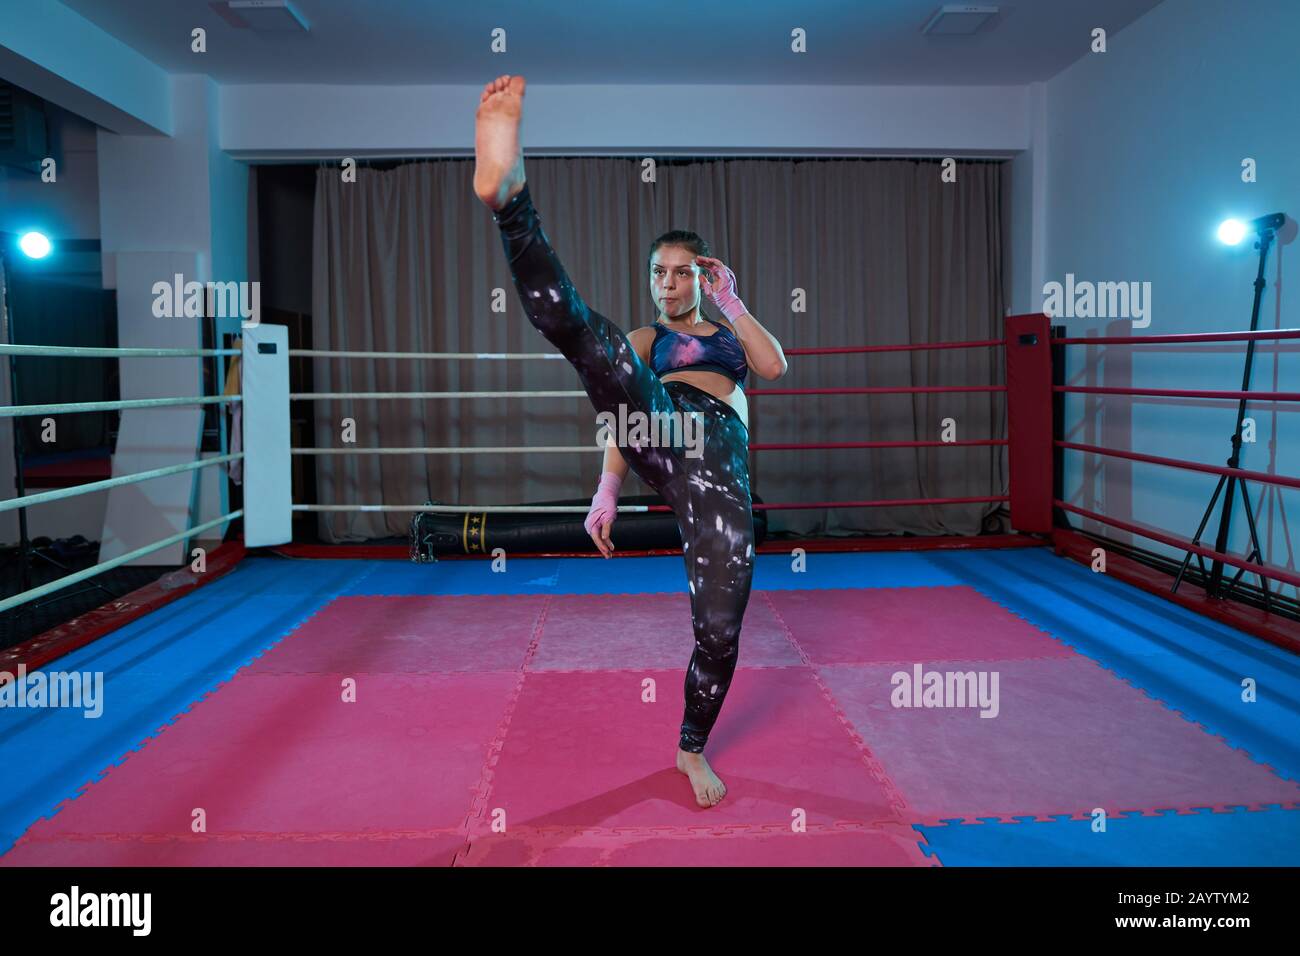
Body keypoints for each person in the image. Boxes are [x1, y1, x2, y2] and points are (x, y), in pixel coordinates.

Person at [474, 74, 787, 808]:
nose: (670, 284)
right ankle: (510, 202)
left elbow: (774, 365)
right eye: (660, 273)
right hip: (661, 428)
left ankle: (690, 749)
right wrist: (607, 489)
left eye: (683, 273)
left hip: (722, 466)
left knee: (720, 625)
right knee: (589, 337)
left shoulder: (729, 337)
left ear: (704, 278)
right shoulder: (647, 338)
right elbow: (620, 414)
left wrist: (733, 302)